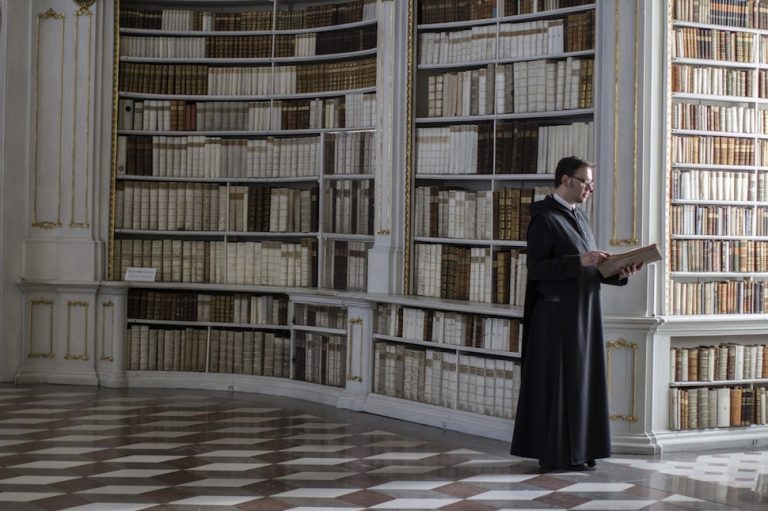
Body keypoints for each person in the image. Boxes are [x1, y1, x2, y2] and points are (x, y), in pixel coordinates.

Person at [510, 155, 641, 472]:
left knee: (582, 384)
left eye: (592, 183)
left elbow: (590, 269)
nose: (590, 188)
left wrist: (619, 272)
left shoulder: (577, 217)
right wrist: (580, 261)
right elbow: (537, 269)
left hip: (583, 314)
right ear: (566, 180)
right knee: (560, 386)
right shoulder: (543, 219)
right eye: (586, 181)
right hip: (556, 319)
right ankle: (557, 454)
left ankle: (581, 450)